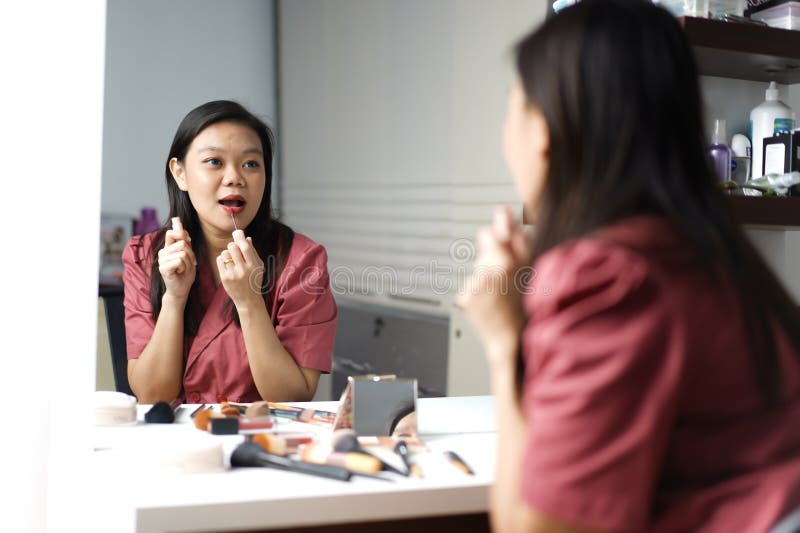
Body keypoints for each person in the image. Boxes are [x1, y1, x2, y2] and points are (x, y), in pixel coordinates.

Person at [459, 1, 800, 532]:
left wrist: (505, 343)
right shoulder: (706, 254)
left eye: (513, 106)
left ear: (545, 128)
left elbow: (536, 528)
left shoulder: (607, 279)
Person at [123, 100, 337, 404]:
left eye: (251, 164)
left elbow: (293, 395)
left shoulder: (301, 261)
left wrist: (249, 302)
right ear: (180, 173)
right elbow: (152, 396)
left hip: (259, 440)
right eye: (214, 161)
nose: (235, 177)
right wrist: (174, 298)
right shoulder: (145, 256)